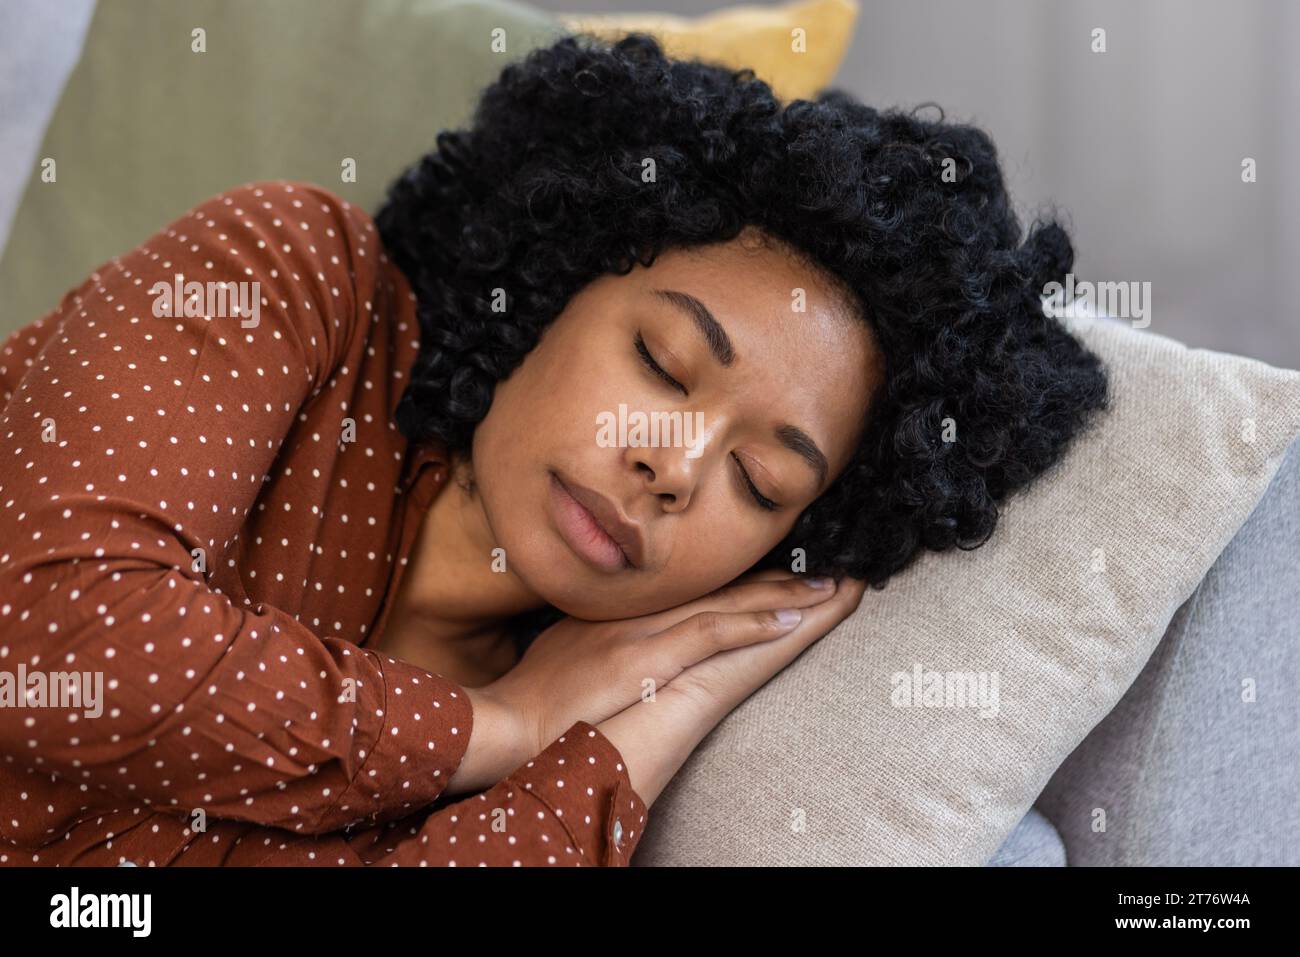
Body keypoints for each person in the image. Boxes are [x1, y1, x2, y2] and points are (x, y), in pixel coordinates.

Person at [0, 32, 1107, 867]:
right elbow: (43, 632)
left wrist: (630, 739)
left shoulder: (573, 738)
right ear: (549, 283)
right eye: (664, 362)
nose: (670, 468)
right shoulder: (289, 277)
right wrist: (488, 728)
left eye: (757, 480)